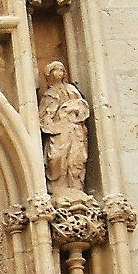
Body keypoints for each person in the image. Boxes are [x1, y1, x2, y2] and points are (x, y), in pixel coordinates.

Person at [38, 60, 89, 200]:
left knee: (77, 157)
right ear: (50, 74)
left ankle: (75, 186)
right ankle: (57, 188)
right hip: (58, 132)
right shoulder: (49, 94)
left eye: (61, 70)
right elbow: (44, 116)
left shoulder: (72, 90)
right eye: (56, 70)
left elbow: (82, 106)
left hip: (74, 128)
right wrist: (53, 124)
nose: (59, 73)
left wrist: (73, 110)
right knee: (56, 157)